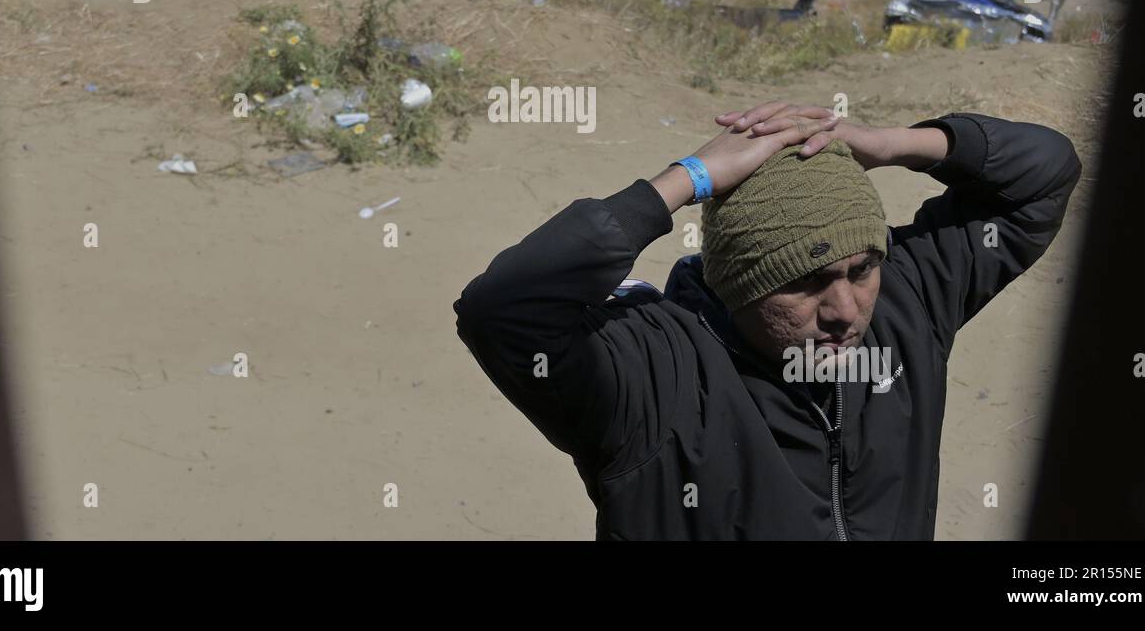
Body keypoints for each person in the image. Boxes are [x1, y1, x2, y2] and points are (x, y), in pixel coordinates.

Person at [455, 103, 1080, 540]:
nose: (844, 312)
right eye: (805, 284)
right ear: (735, 284)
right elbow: (501, 310)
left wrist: (888, 145)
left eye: (861, 270)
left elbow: (1044, 175)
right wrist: (682, 182)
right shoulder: (653, 374)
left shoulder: (904, 308)